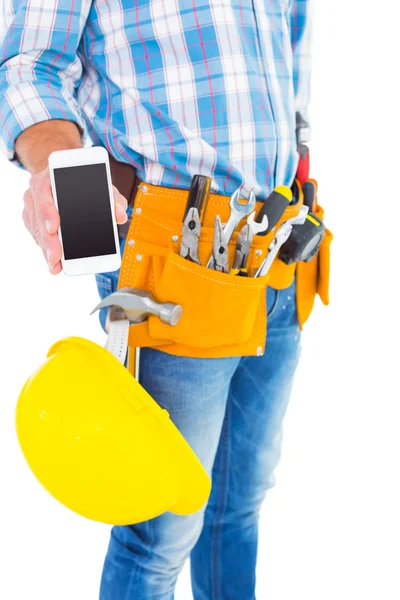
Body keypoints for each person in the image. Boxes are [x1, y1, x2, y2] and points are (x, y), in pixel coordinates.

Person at [0, 1, 313, 598]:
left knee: (239, 504)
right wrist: (66, 172)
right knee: (161, 527)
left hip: (282, 252)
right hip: (170, 261)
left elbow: (292, 52)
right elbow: (28, 66)